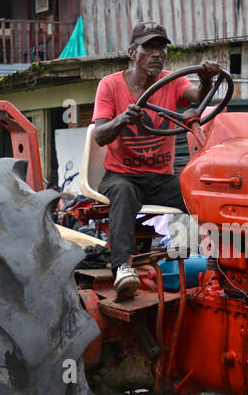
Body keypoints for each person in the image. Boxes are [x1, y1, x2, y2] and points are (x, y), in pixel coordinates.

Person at [93, 20, 222, 297]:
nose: (157, 53)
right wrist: (121, 120)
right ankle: (122, 269)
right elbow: (100, 135)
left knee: (200, 193)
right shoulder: (110, 86)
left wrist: (207, 79)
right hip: (121, 175)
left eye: (161, 48)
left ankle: (225, 261)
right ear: (132, 53)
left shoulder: (171, 81)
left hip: (161, 179)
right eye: (149, 47)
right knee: (124, 192)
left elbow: (197, 97)